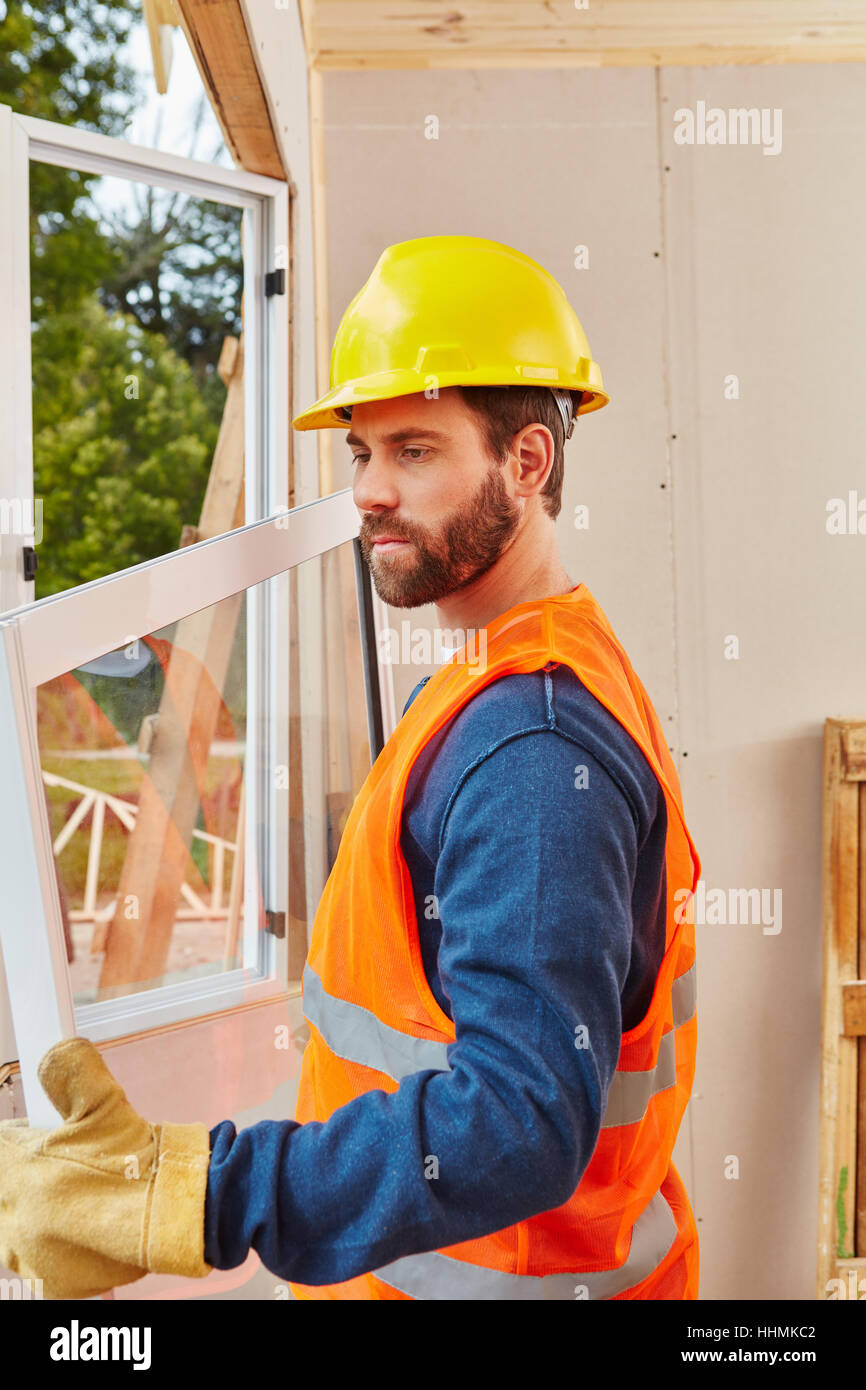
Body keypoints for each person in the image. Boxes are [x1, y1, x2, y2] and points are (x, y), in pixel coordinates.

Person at [0, 235, 701, 1301]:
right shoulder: (510, 671)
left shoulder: (532, 742)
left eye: (412, 450)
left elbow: (516, 1122)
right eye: (360, 452)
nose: (368, 491)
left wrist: (203, 1194)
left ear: (525, 462)